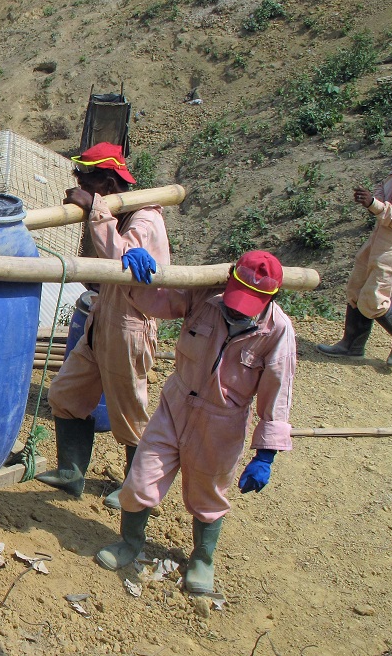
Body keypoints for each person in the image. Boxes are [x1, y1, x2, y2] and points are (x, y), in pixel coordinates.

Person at [95, 250, 295, 596]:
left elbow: (278, 392)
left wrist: (266, 455)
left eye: (248, 304)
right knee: (141, 478)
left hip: (222, 423)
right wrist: (136, 272)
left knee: (208, 495)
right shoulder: (206, 298)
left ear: (269, 299)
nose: (236, 309)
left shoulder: (277, 332)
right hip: (175, 406)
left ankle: (203, 558)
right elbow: (156, 301)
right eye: (235, 299)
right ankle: (129, 542)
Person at [36, 142, 170, 509]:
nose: (80, 184)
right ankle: (72, 473)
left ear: (108, 184)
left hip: (130, 323)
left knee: (129, 412)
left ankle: (137, 489)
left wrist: (94, 211)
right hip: (102, 316)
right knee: (66, 394)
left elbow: (119, 260)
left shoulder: (144, 219)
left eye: (87, 180)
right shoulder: (117, 211)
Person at [317, 106, 392, 368]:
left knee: (374, 297)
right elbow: (385, 186)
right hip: (383, 232)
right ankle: (352, 346)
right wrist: (374, 199)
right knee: (356, 287)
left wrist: (374, 205)